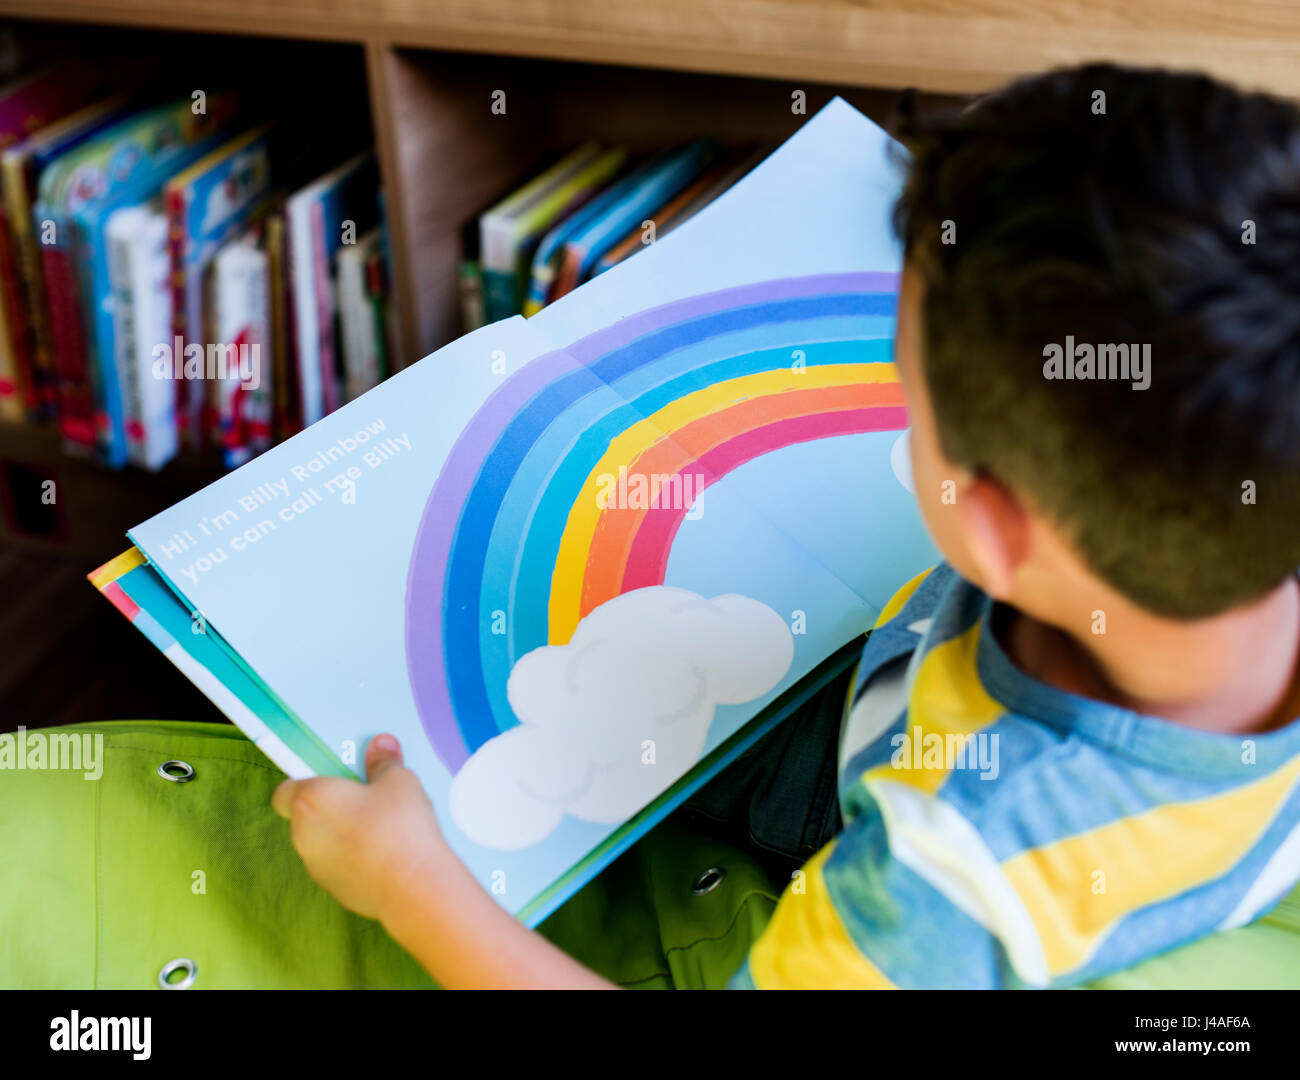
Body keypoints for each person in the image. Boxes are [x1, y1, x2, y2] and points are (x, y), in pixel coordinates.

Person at [272, 63, 1300, 988]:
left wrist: (409, 886)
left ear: (996, 530)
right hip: (905, 674)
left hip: (839, 780)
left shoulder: (943, 880)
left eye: (905, 392)